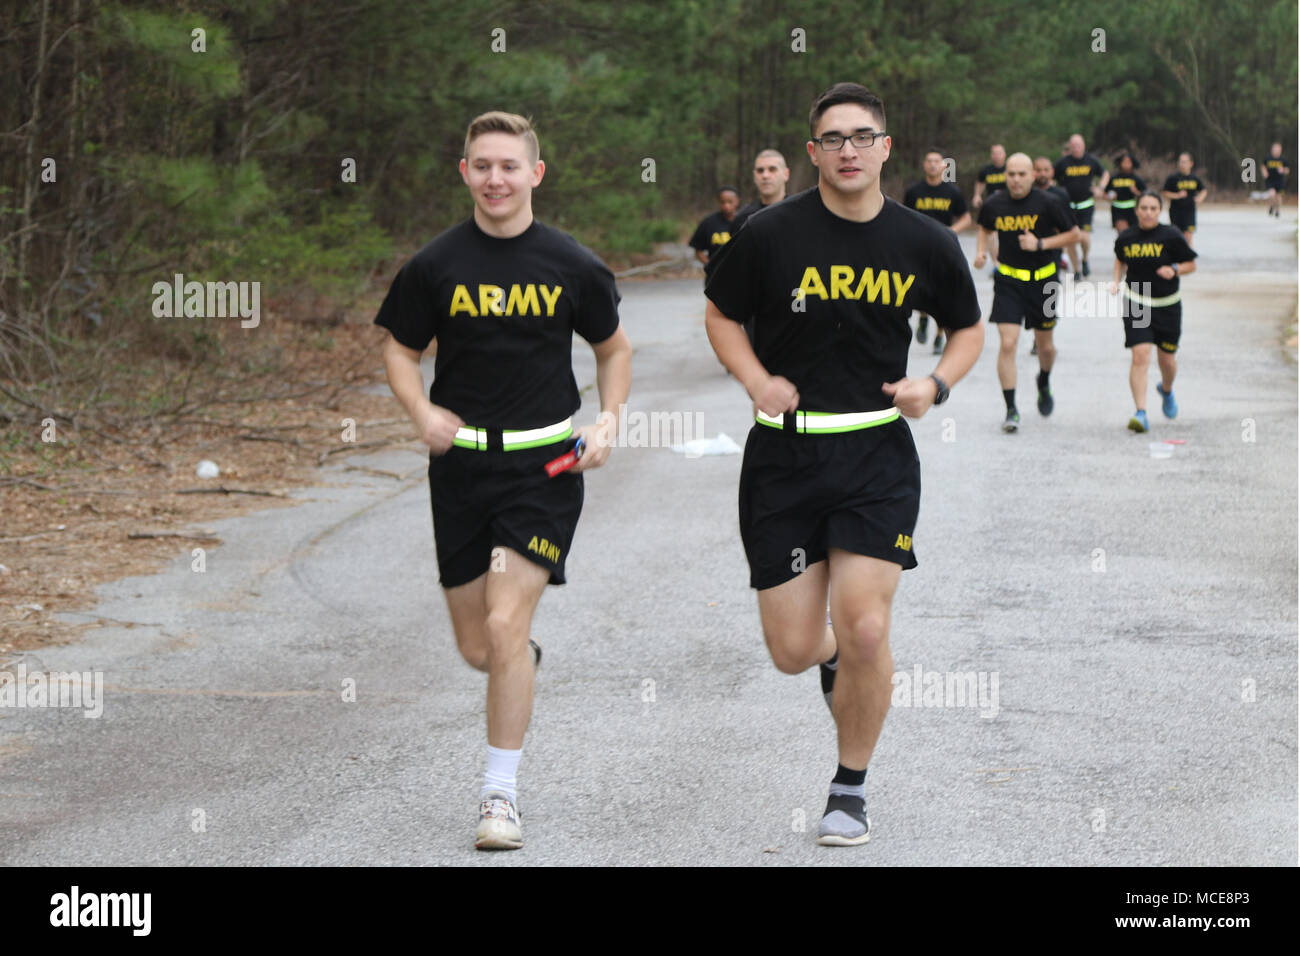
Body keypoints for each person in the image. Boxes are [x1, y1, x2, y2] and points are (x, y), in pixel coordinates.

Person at [704, 82, 983, 848]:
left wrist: (935, 383)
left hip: (875, 454)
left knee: (863, 626)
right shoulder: (769, 235)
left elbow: (966, 328)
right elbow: (721, 314)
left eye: (864, 137)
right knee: (795, 651)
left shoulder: (924, 241)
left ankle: (848, 789)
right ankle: (828, 660)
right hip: (785, 459)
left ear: (886, 148)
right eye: (834, 139)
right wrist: (757, 381)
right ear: (813, 152)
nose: (850, 150)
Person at [374, 111, 632, 851]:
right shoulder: (434, 265)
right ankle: (517, 662)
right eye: (482, 165)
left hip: (544, 466)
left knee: (502, 622)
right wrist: (420, 409)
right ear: (464, 172)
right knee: (480, 648)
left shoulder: (572, 264)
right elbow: (398, 349)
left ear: (535, 174)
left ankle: (499, 797)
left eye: (509, 166)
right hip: (459, 469)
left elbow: (614, 351)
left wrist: (608, 422)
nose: (496, 178)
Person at [974, 153, 1080, 432]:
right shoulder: (993, 203)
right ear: (1004, 176)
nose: (1016, 179)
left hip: (1044, 283)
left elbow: (1074, 235)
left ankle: (1043, 381)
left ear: (1033, 175)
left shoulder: (1049, 203)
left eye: (1022, 174)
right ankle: (1011, 409)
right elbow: (984, 227)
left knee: (1045, 346)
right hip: (1008, 281)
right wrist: (982, 252)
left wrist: (1041, 243)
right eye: (1011, 174)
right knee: (1008, 343)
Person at [1110, 191, 1197, 432]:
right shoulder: (1126, 237)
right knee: (1140, 356)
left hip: (1168, 305)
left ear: (1160, 211)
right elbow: (1120, 259)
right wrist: (1116, 281)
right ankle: (1141, 412)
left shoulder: (1172, 236)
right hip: (1137, 300)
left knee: (1166, 361)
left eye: (1153, 208)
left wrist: (1176, 269)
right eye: (1144, 208)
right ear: (1137, 210)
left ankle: (1166, 390)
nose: (1148, 212)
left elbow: (1192, 264)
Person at [903, 147, 972, 353]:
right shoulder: (914, 191)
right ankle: (923, 318)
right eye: (929, 161)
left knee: (943, 292)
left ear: (944, 166)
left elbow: (966, 218)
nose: (933, 164)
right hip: (920, 248)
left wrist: (951, 232)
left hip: (944, 249)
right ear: (924, 165)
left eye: (936, 161)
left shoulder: (952, 192)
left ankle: (940, 336)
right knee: (923, 287)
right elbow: (905, 217)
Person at [1053, 134, 1109, 279]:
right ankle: (1076, 269)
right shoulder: (1063, 163)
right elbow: (1050, 178)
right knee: (1071, 238)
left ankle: (1084, 259)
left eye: (1079, 145)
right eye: (1073, 146)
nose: (1076, 148)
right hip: (1068, 206)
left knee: (1084, 238)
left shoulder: (1091, 161)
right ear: (1069, 147)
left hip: (1086, 205)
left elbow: (1105, 174)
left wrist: (1101, 188)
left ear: (1083, 146)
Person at [733, 149, 791, 231]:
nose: (765, 175)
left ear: (786, 174)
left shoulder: (799, 214)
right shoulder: (744, 219)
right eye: (760, 171)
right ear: (754, 176)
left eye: (772, 169)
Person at [972, 144, 1007, 270]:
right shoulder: (986, 170)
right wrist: (977, 195)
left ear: (1004, 154)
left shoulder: (1009, 169)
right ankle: (996, 263)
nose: (996, 156)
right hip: (992, 206)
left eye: (999, 153)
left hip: (1008, 206)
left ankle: (1006, 260)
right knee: (991, 234)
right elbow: (980, 183)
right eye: (994, 153)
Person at [1161, 152, 1207, 246]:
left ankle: (1188, 258)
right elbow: (1164, 193)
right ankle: (1177, 257)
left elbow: (1203, 190)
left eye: (1185, 162)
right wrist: (1177, 195)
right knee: (1176, 236)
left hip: (1190, 212)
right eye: (1181, 162)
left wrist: (1200, 198)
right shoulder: (1173, 178)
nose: (1182, 164)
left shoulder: (1194, 178)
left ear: (1191, 163)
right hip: (1176, 212)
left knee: (1188, 236)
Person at [689, 185, 741, 265]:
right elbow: (698, 250)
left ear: (737, 201)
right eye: (722, 202)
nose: (726, 206)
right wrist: (710, 266)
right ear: (718, 202)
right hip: (716, 274)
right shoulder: (708, 223)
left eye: (730, 202)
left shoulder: (745, 221)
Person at [1107, 153, 1146, 234]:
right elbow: (1106, 193)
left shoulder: (1136, 179)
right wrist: (1111, 196)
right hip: (1117, 209)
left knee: (1133, 234)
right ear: (1120, 163)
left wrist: (1136, 192)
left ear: (1132, 164)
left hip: (1132, 210)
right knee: (1123, 233)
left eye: (1128, 162)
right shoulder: (1114, 178)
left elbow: (1145, 194)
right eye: (1124, 162)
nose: (1126, 164)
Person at [1263, 142, 1289, 218]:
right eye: (1275, 149)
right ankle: (1271, 206)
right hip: (1270, 180)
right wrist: (1264, 172)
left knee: (1279, 197)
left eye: (1278, 149)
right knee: (1272, 194)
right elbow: (1263, 166)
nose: (1276, 151)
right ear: (1272, 150)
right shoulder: (1267, 158)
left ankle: (1277, 211)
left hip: (1280, 181)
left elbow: (1287, 170)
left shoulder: (1283, 160)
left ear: (1280, 150)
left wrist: (1283, 170)